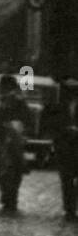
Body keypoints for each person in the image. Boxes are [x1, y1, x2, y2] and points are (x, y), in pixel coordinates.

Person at [0, 75, 30, 214]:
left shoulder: (14, 99)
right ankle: (9, 198)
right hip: (8, 138)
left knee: (8, 169)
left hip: (11, 138)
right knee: (9, 169)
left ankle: (9, 198)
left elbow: (22, 119)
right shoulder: (9, 98)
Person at [43, 78, 78, 222]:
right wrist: (64, 130)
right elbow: (50, 123)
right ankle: (69, 209)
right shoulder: (57, 106)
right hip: (64, 146)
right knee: (66, 179)